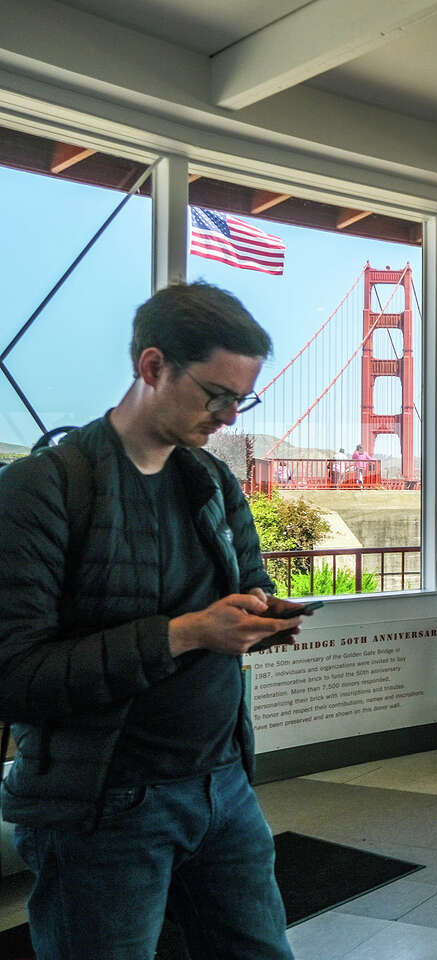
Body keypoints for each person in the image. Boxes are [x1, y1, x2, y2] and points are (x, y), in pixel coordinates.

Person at [0, 282, 302, 959]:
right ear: (152, 366)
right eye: (214, 394)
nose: (227, 416)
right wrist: (190, 633)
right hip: (102, 807)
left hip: (222, 783)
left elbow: (252, 581)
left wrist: (262, 615)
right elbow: (15, 674)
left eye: (241, 399)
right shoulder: (45, 489)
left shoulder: (213, 481)